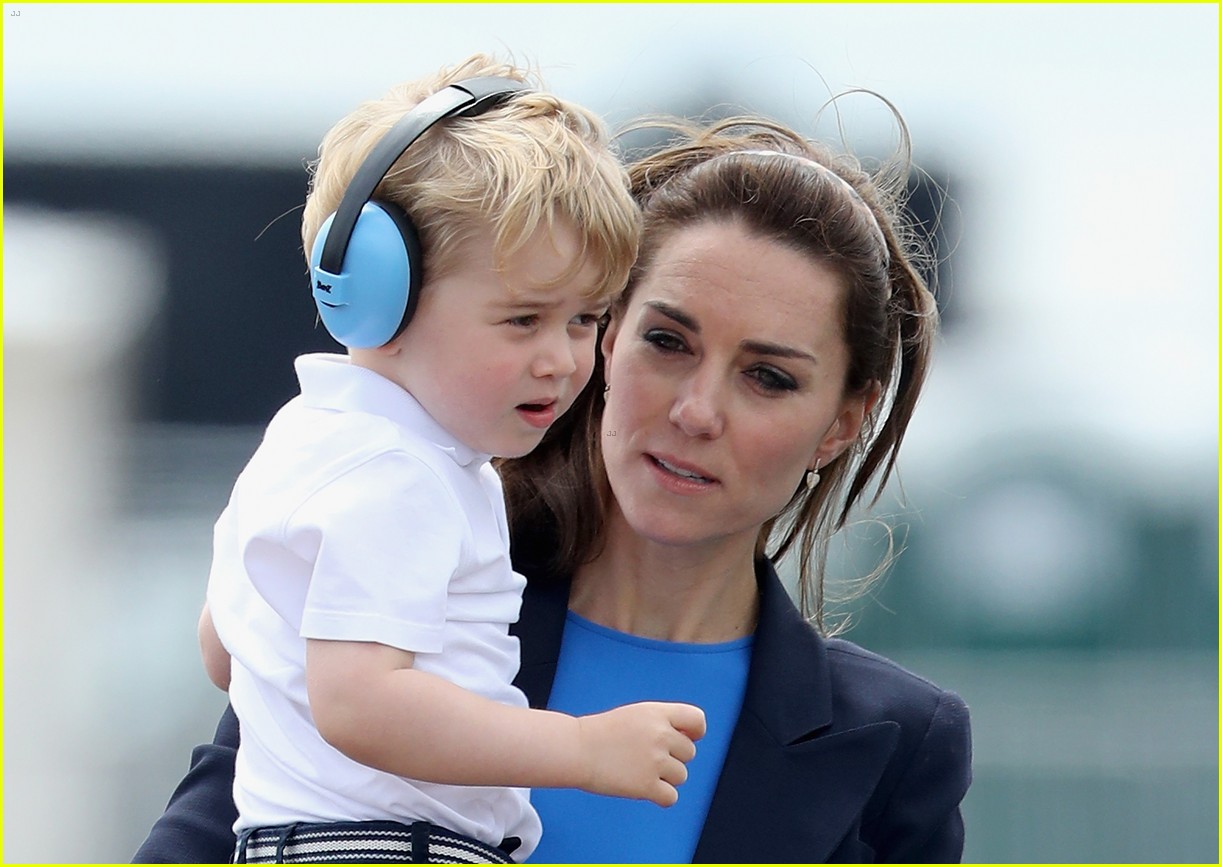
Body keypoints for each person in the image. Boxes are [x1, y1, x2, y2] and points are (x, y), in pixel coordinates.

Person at [134, 99, 972, 864]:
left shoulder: (902, 748)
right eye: (667, 342)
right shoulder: (401, 602)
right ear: (608, 339)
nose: (696, 411)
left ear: (842, 421)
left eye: (769, 378)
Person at [191, 54, 707, 866]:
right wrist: (578, 748)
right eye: (522, 319)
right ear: (377, 296)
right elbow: (359, 705)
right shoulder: (401, 477)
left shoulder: (303, 442)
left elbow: (226, 649)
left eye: (585, 320)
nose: (563, 360)